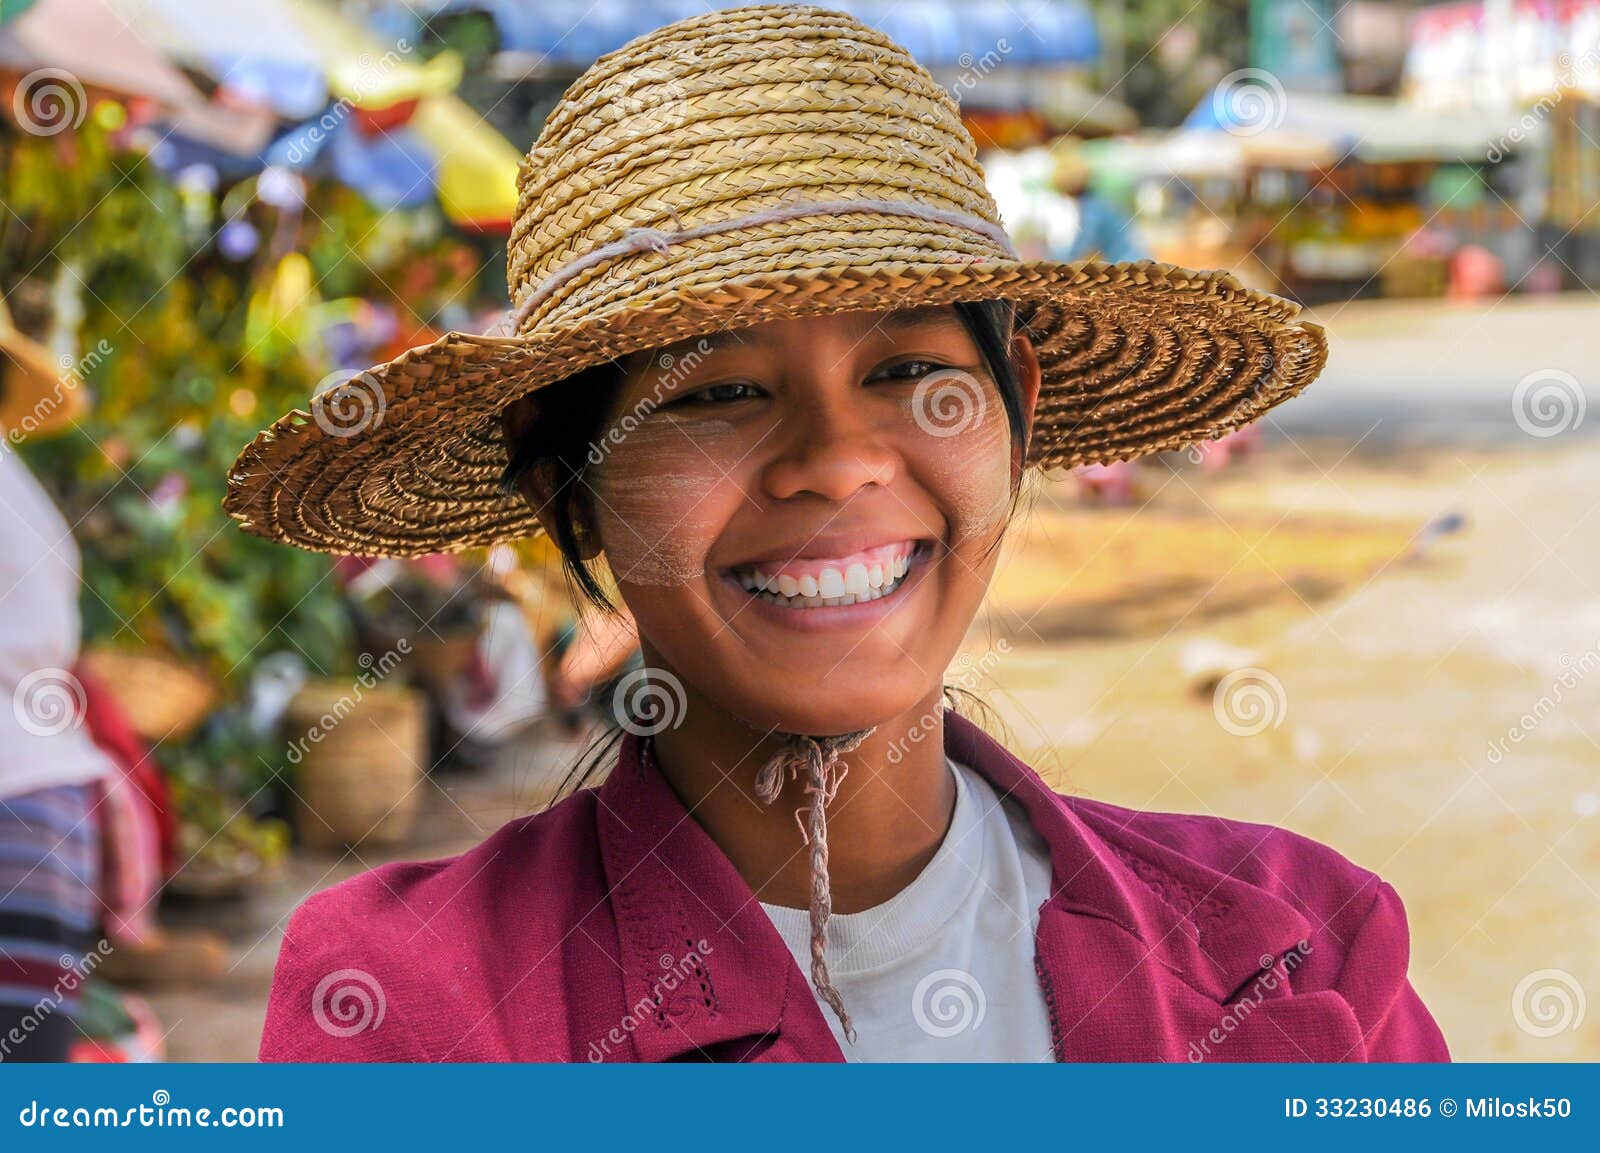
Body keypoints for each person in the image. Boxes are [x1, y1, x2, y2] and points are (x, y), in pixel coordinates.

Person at [234, 5, 1446, 1063]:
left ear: (1013, 420)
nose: (835, 460)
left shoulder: (1300, 950)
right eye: (715, 393)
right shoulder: (417, 1006)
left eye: (910, 371)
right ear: (570, 492)